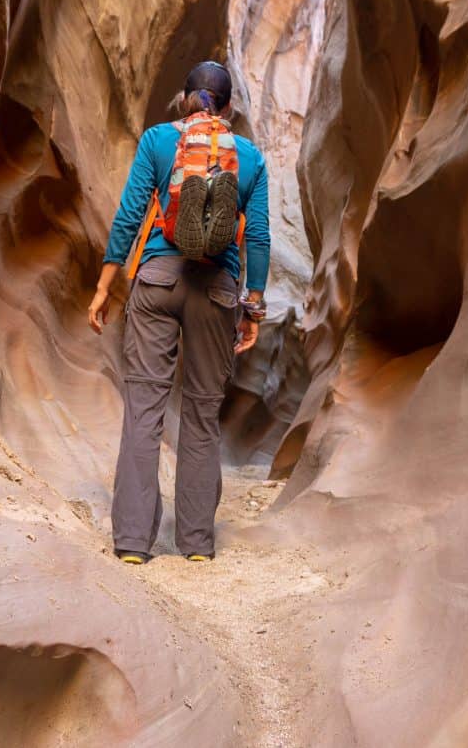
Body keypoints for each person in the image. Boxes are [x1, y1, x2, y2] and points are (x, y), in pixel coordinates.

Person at [88, 61, 269, 564]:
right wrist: (253, 308)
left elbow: (129, 215)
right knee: (203, 413)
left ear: (184, 98)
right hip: (217, 291)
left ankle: (131, 542)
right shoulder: (249, 158)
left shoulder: (158, 141)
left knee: (144, 407)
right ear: (228, 107)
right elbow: (257, 236)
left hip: (157, 281)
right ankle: (195, 545)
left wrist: (104, 287)